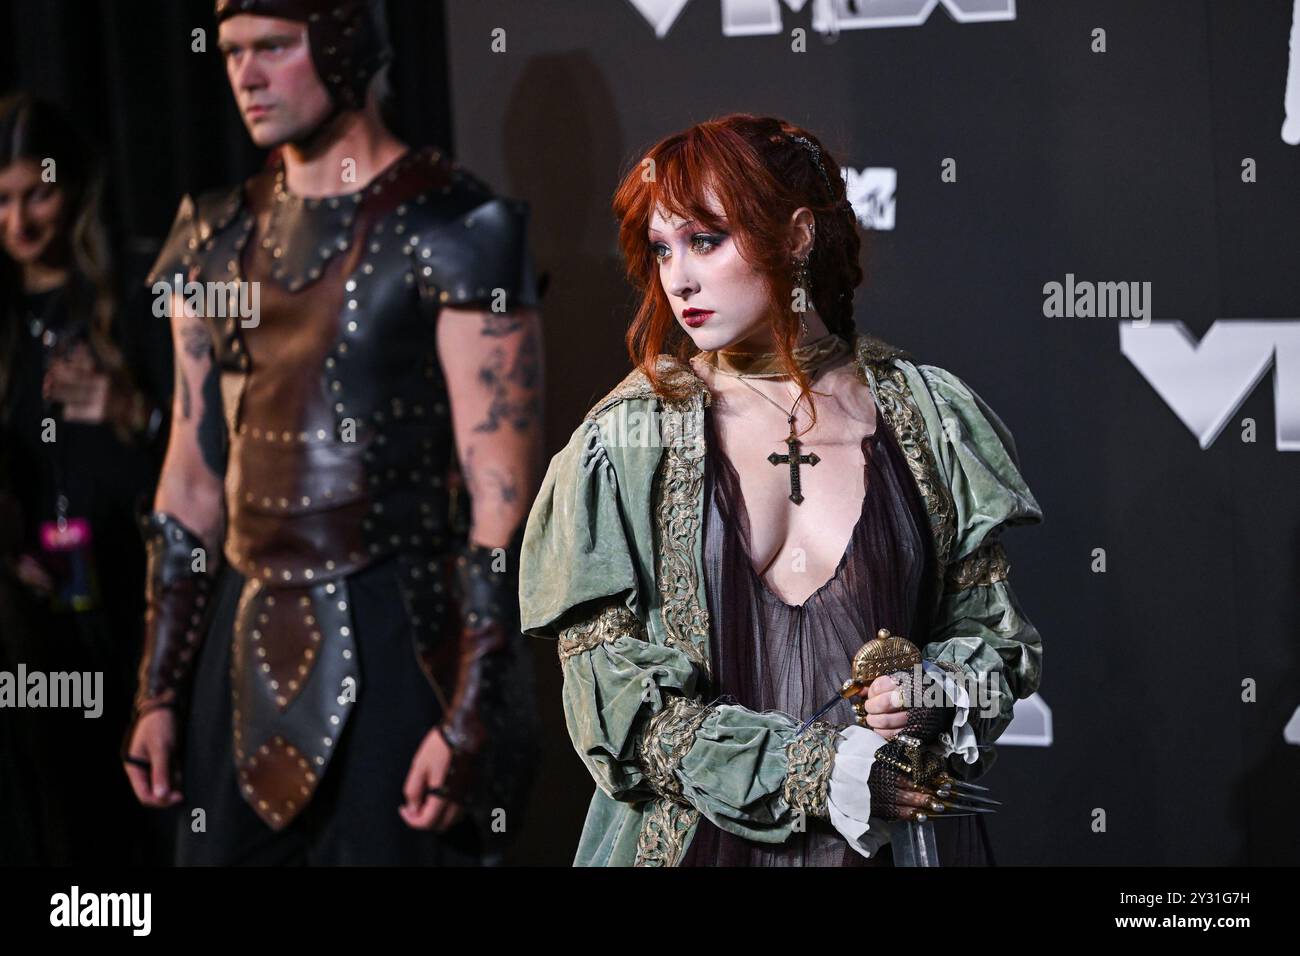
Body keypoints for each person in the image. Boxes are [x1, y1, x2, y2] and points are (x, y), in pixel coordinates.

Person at [519, 114, 1043, 867]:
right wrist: (817, 772)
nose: (679, 278)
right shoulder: (627, 440)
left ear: (796, 236)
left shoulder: (928, 416)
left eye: (705, 241)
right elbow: (614, 699)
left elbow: (995, 640)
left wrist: (938, 691)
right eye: (663, 250)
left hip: (898, 842)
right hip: (700, 846)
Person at [122, 0, 542, 865]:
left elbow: (501, 496)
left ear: (344, 43)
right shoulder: (210, 234)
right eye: (234, 50)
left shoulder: (455, 226)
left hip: (400, 631)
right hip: (238, 635)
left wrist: (470, 711)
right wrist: (156, 689)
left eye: (274, 46)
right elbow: (192, 481)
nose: (246, 73)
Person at [0, 93, 170, 864]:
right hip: (41, 623)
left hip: (141, 606)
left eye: (38, 193)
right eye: (1, 200)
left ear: (77, 188)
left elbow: (206, 458)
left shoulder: (138, 287)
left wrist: (135, 410)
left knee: (154, 813)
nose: (20, 222)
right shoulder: (4, 318)